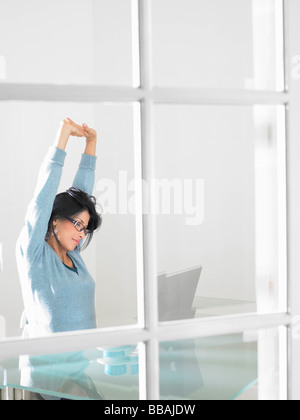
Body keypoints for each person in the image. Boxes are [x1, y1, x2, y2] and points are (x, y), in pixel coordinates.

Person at [16, 117, 102, 337]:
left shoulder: (74, 256)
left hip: (82, 367)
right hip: (49, 369)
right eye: (77, 225)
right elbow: (42, 197)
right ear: (55, 219)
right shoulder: (35, 255)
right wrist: (63, 136)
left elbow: (82, 196)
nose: (81, 234)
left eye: (85, 228)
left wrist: (90, 143)